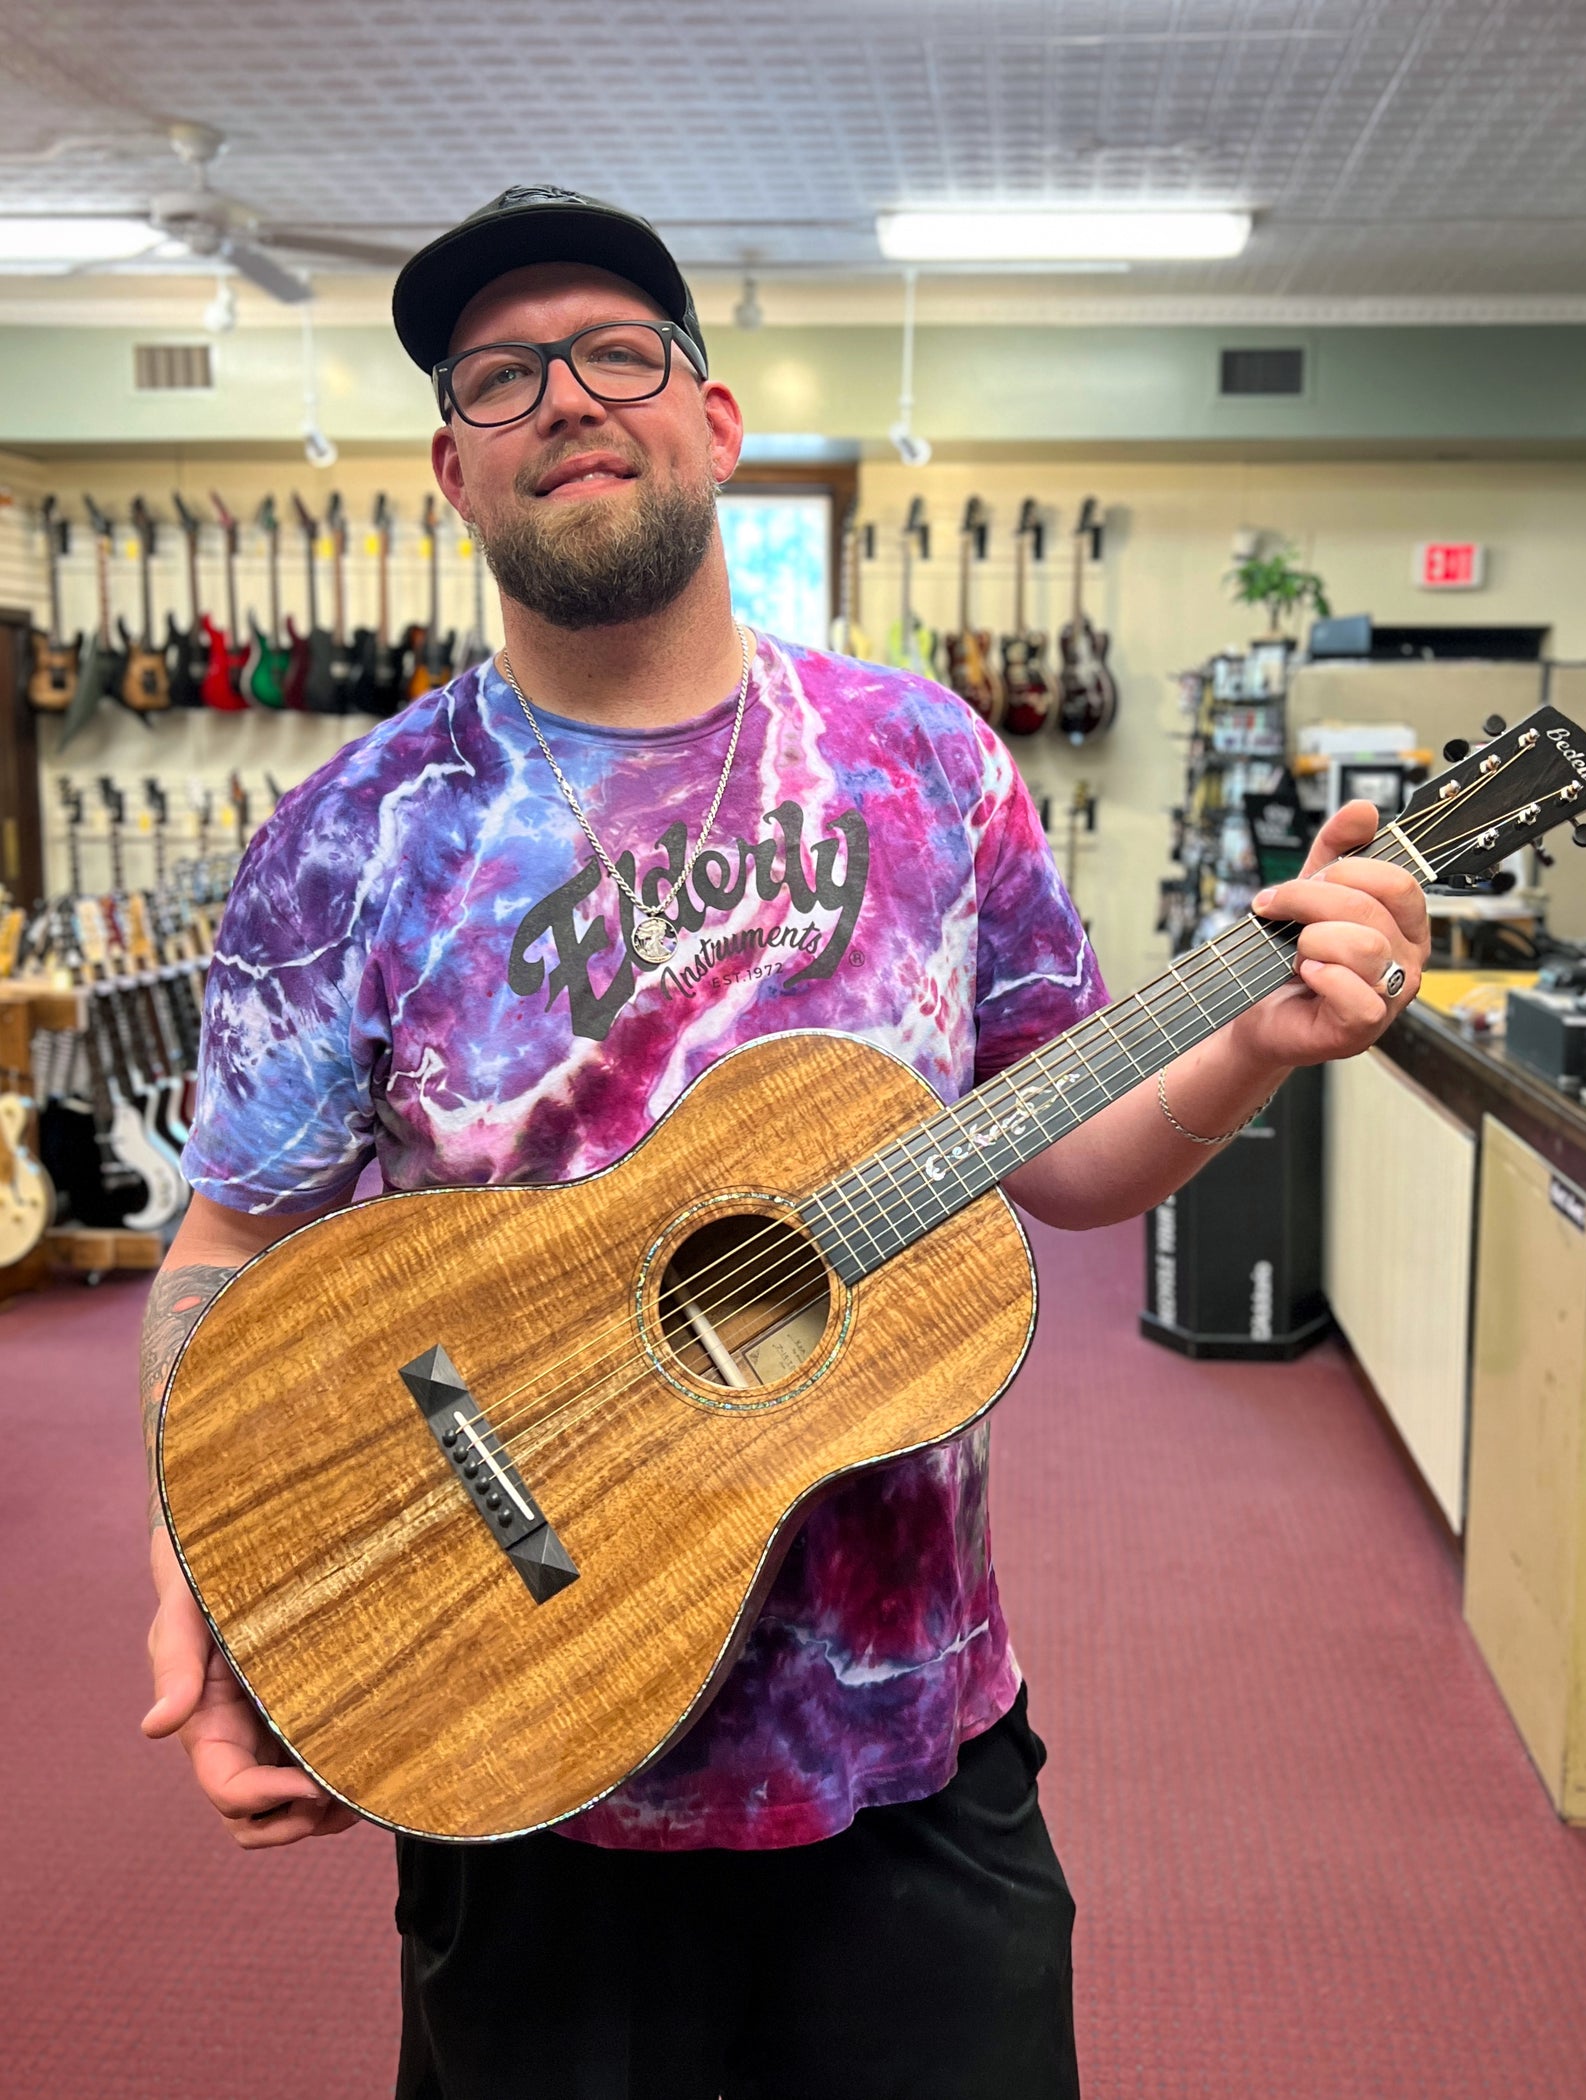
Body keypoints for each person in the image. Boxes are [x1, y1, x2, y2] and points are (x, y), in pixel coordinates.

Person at [139, 187, 1428, 2099]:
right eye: (501, 376)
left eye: (617, 354)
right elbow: (225, 1252)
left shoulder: (924, 760)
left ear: (713, 423)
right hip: (527, 1738)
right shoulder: (358, 832)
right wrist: (216, 1567)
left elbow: (1057, 1154)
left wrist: (1254, 1040)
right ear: (450, 466)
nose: (564, 399)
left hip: (911, 1737)